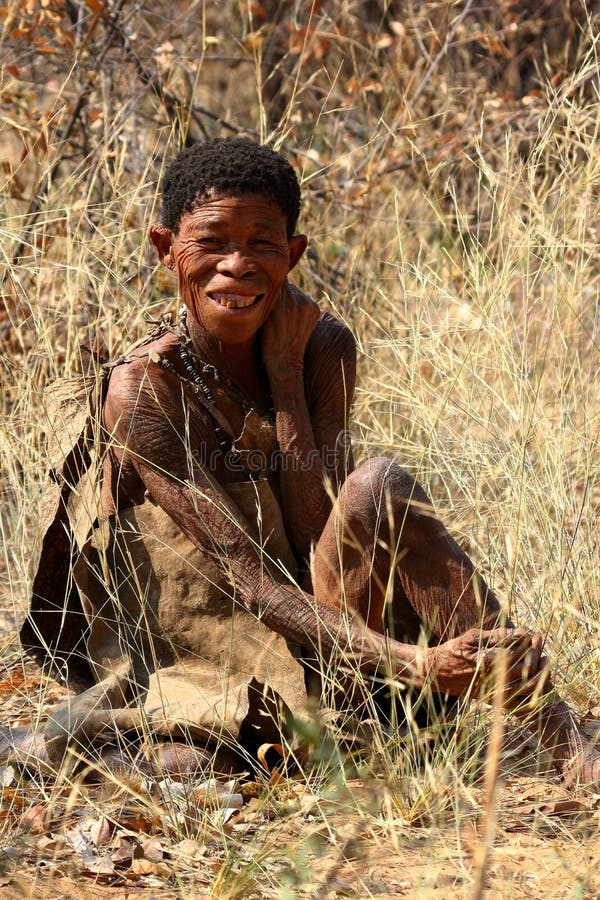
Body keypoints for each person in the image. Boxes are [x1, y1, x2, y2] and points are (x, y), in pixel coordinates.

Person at [17, 138, 600, 785]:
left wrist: (288, 379)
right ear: (165, 248)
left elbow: (312, 536)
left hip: (346, 640)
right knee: (187, 765)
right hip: (220, 647)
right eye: (211, 242)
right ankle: (51, 749)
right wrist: (420, 664)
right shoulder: (143, 393)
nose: (237, 266)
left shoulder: (322, 348)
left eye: (262, 244)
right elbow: (253, 581)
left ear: (292, 254)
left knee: (379, 484)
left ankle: (562, 740)